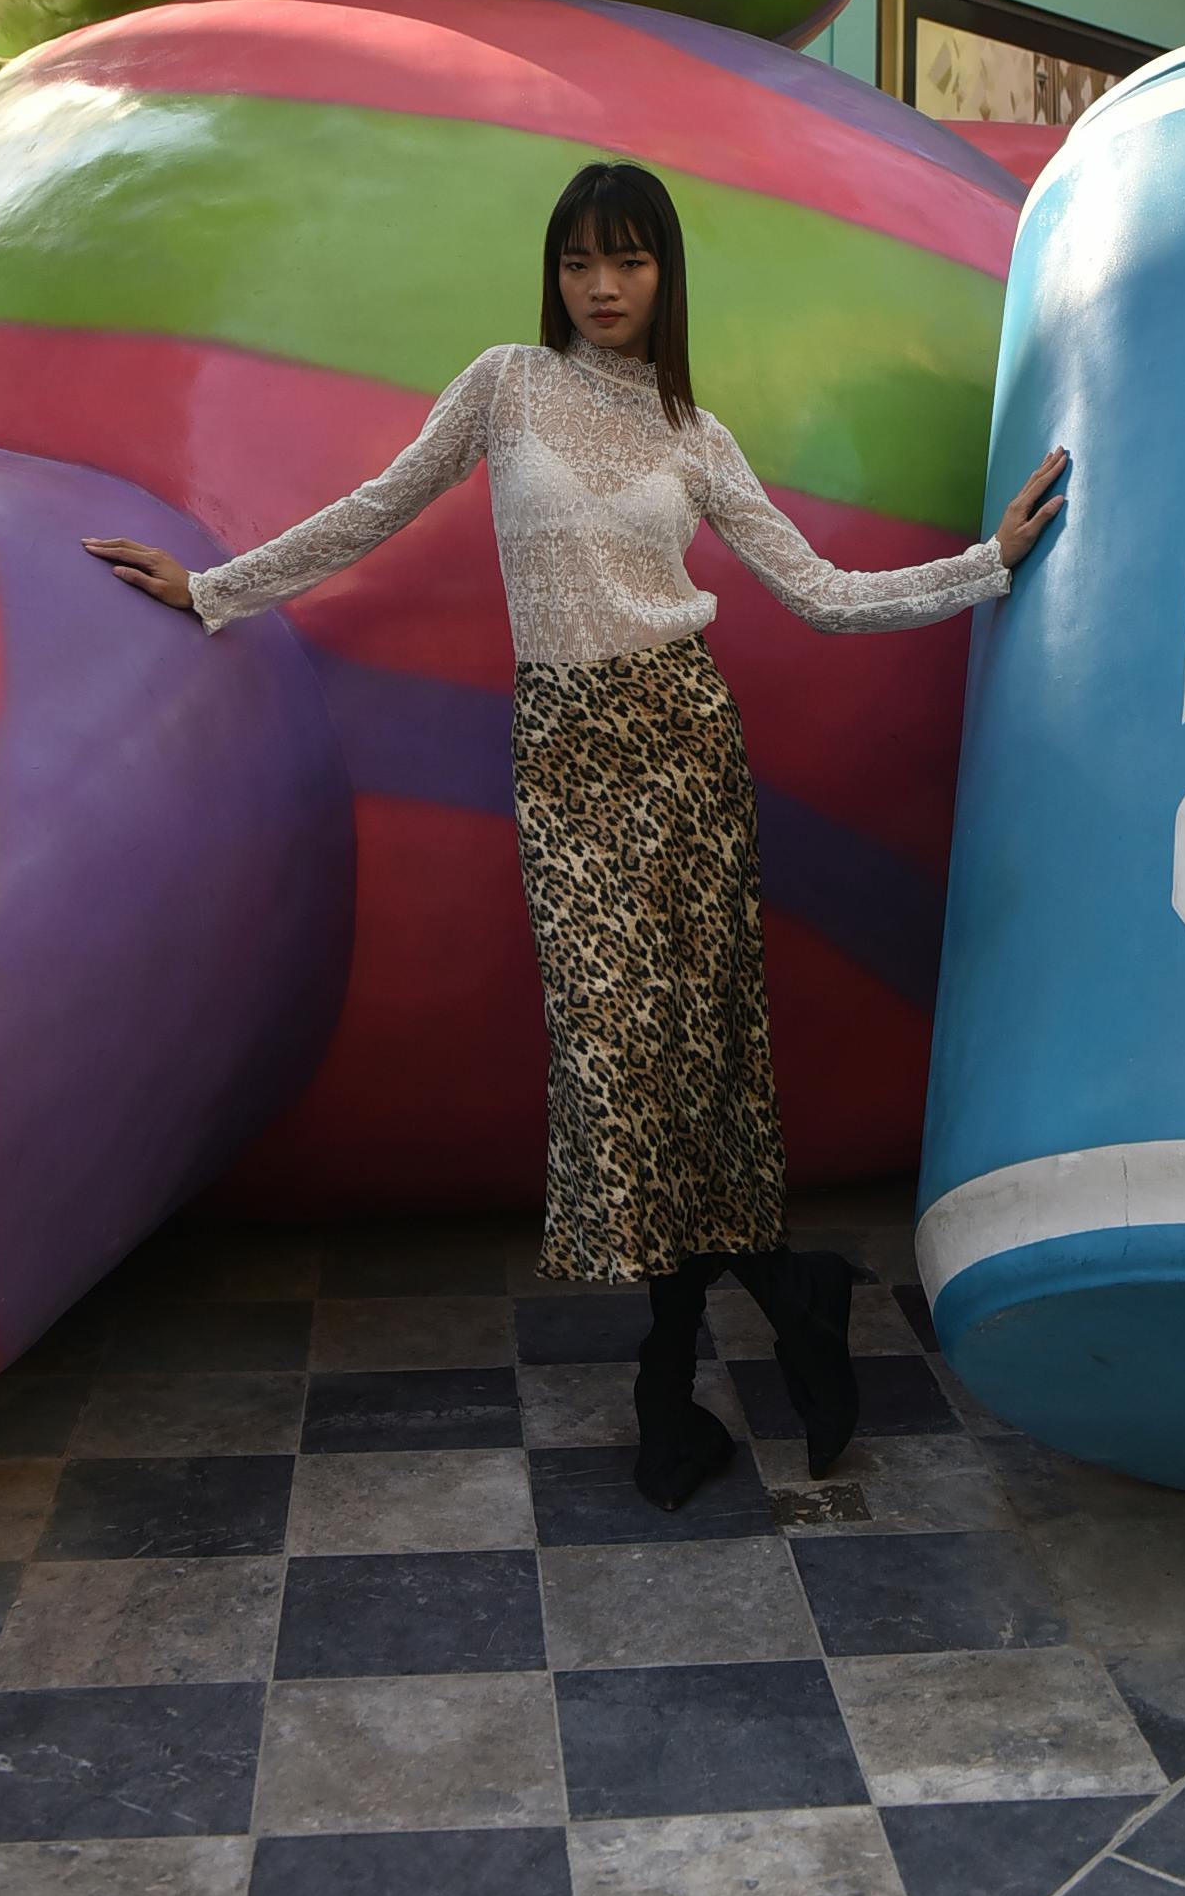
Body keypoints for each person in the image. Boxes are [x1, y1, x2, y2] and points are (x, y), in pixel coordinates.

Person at [84, 159, 1067, 1509]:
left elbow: (825, 597)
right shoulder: (505, 384)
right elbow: (378, 505)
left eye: (629, 262)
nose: (600, 288)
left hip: (687, 748)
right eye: (578, 263)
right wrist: (211, 591)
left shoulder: (696, 439)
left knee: (698, 1063)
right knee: (615, 1065)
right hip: (565, 753)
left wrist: (992, 562)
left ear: (667, 275)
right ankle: (790, 1290)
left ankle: (669, 1385)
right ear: (553, 276)